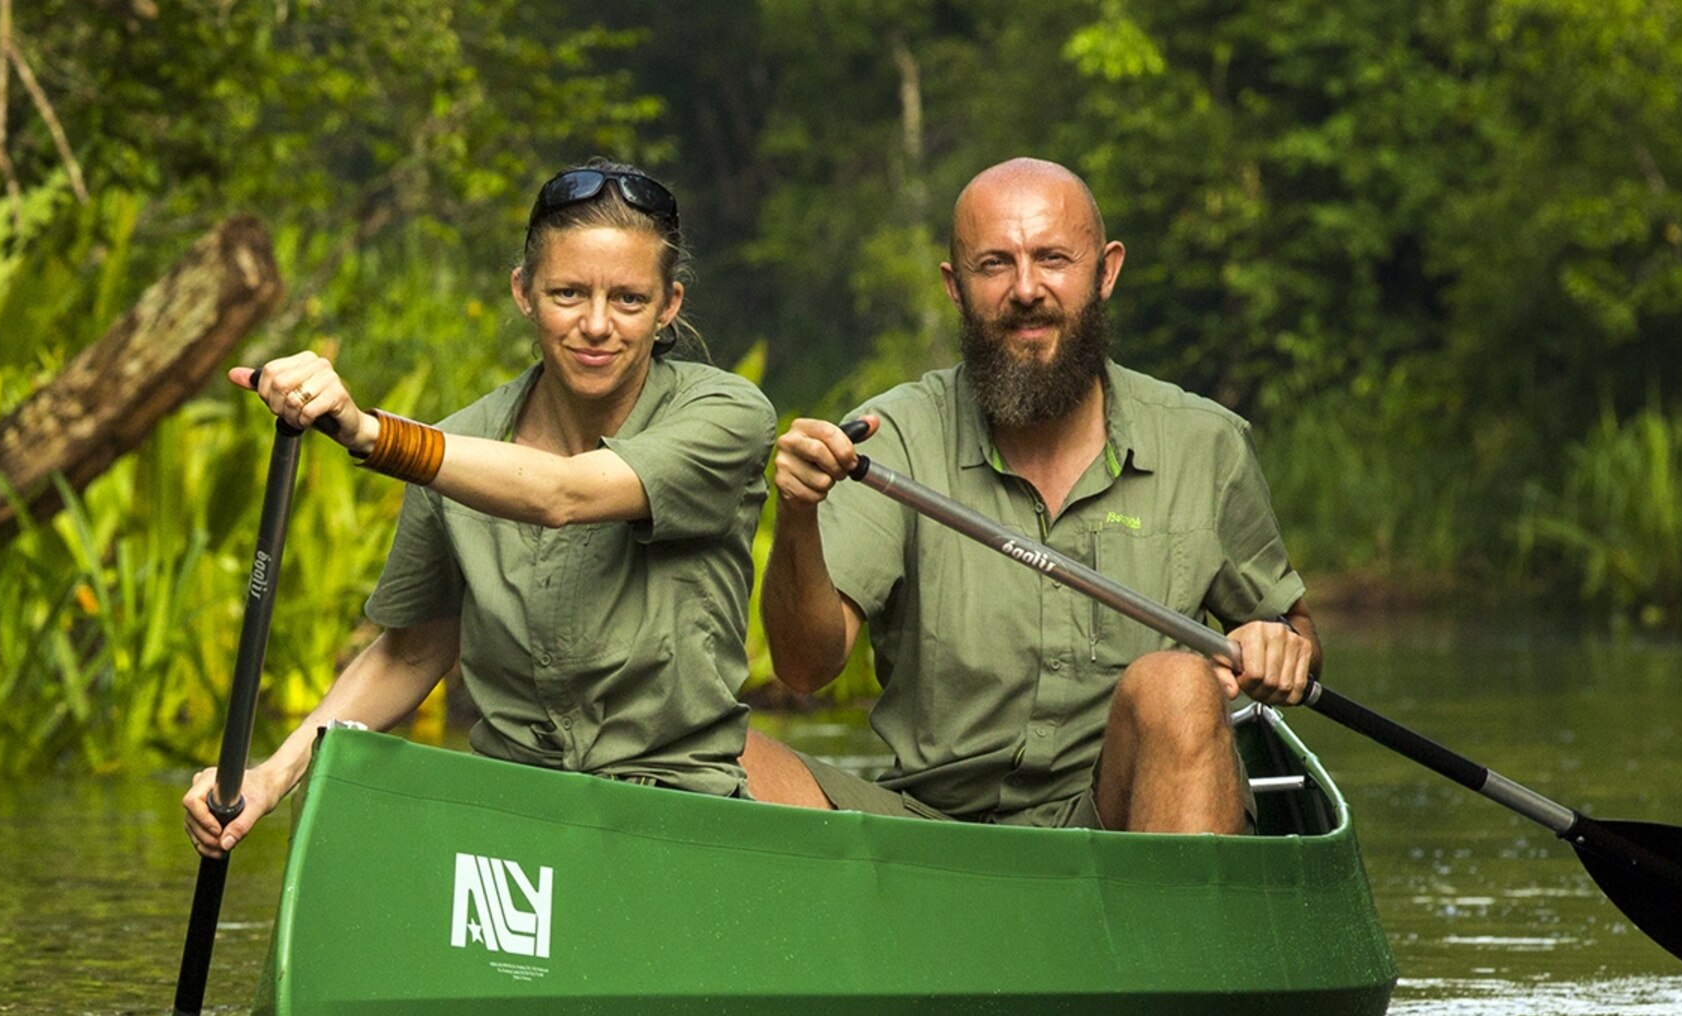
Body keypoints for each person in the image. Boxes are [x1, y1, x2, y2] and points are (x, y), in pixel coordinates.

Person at [186, 162, 777, 857]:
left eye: (628, 299)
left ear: (668, 305)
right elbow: (413, 649)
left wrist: (371, 432)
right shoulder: (461, 440)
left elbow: (565, 493)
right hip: (512, 807)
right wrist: (269, 777)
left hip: (674, 811)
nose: (596, 325)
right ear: (522, 292)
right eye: (566, 293)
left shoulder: (728, 414)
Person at [751, 158, 1321, 833]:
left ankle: (1179, 925)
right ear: (955, 288)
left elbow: (1294, 630)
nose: (1027, 289)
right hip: (932, 829)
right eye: (994, 265)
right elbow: (802, 667)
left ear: (1105, 272)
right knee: (700, 743)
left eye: (1053, 258)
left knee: (1178, 682)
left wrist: (1284, 647)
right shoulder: (893, 436)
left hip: (1124, 823)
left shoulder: (1206, 444)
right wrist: (797, 515)